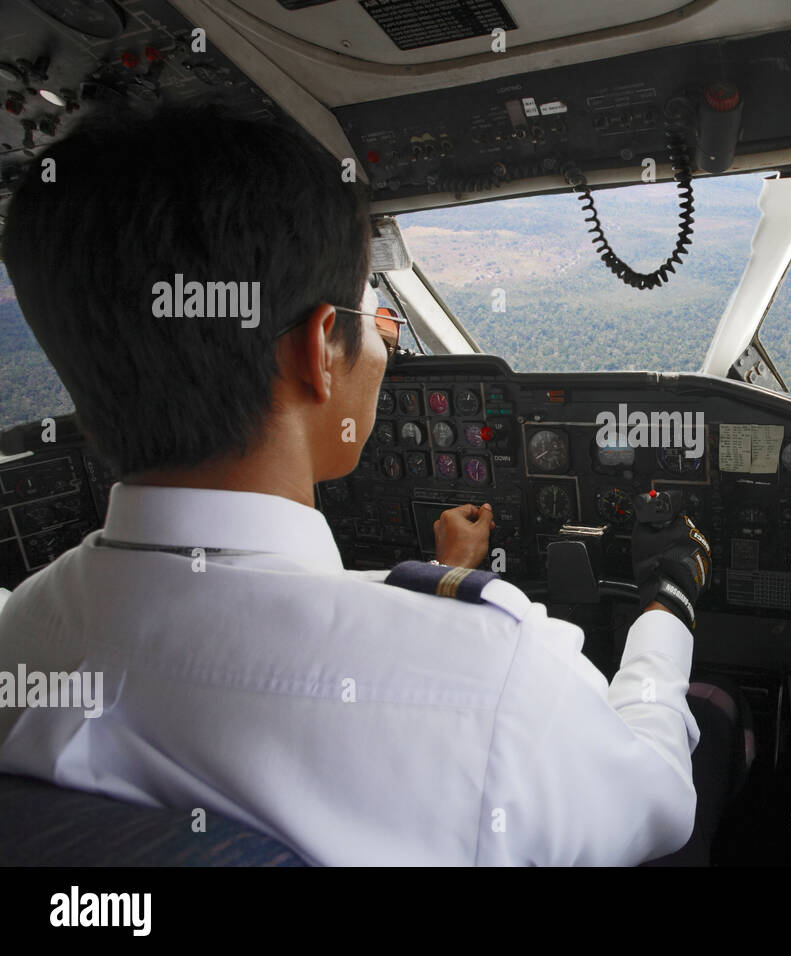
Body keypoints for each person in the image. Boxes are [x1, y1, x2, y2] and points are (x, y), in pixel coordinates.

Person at [0, 105, 736, 865]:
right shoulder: (492, 682)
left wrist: (446, 579)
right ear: (323, 348)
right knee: (711, 719)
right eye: (374, 316)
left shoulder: (20, 633)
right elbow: (658, 800)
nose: (383, 341)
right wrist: (668, 602)